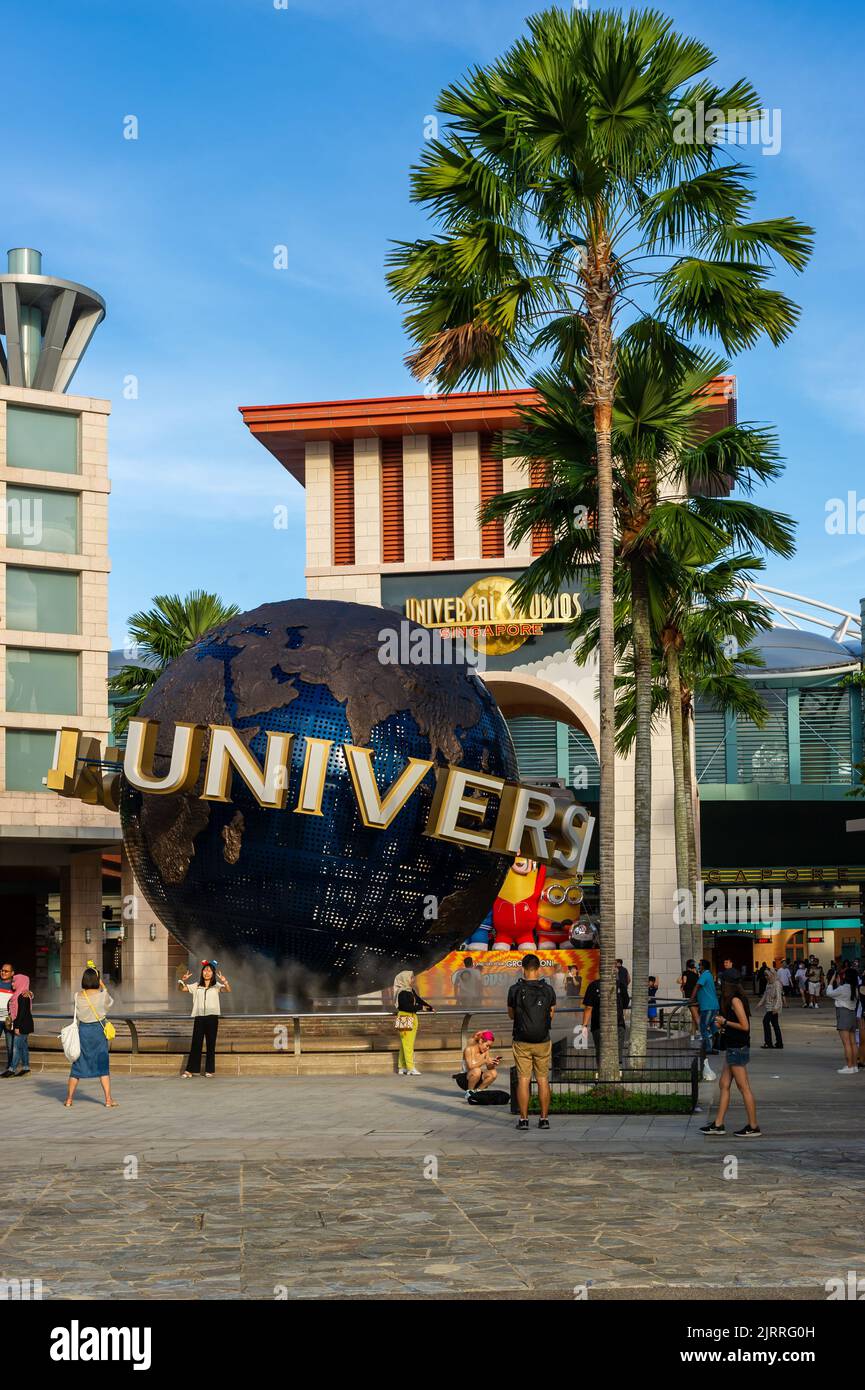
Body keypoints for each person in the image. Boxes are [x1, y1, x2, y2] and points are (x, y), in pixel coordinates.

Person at [700, 978, 761, 1138]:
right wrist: (721, 1024)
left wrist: (725, 1022)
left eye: (722, 983)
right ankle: (718, 1124)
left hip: (737, 1047)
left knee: (743, 1087)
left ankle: (753, 1126)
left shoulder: (735, 1000)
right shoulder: (733, 999)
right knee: (724, 1084)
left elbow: (744, 1026)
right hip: (732, 1047)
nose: (720, 986)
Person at [507, 953, 556, 1131]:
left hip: (521, 1041)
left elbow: (511, 1014)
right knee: (543, 1079)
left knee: (523, 1080)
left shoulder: (515, 989)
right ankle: (544, 1119)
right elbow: (551, 1013)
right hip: (543, 1040)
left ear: (523, 968)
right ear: (539, 969)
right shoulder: (548, 989)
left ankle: (524, 1120)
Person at [66, 964, 118, 1108]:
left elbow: (76, 1012)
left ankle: (69, 1099)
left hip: (83, 1031)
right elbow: (109, 1004)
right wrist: (103, 987)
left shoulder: (77, 996)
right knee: (102, 1065)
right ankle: (108, 1100)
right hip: (98, 1032)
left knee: (77, 1065)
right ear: (97, 979)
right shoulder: (103, 995)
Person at [179, 961, 231, 1077]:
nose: (206, 973)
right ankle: (190, 1070)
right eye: (205, 970)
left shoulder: (216, 986)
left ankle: (209, 1070)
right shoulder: (196, 985)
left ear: (212, 973)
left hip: (212, 1018)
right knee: (196, 1043)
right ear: (202, 972)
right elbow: (181, 989)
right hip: (199, 1017)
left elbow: (227, 990)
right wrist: (182, 980)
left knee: (211, 1044)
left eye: (209, 971)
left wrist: (225, 981)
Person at [392, 970, 433, 1076]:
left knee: (405, 1044)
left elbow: (418, 1000)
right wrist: (420, 1007)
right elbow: (405, 1007)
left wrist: (429, 1007)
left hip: (412, 1017)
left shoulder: (410, 990)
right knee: (408, 1044)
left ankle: (401, 1067)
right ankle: (410, 1068)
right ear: (405, 979)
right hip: (405, 1016)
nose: (413, 979)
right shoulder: (402, 992)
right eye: (411, 977)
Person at [582, 971, 627, 1066]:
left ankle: (602, 1072)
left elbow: (588, 1007)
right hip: (618, 1023)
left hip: (599, 1024)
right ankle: (617, 1072)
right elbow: (625, 1003)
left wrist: (584, 1025)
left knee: (601, 1051)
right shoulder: (620, 985)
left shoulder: (593, 985)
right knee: (617, 1052)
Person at [826, 965, 859, 1074]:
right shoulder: (854, 988)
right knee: (853, 1043)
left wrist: (831, 981)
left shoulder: (843, 988)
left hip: (843, 1014)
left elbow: (829, 993)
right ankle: (854, 1066)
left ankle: (849, 1066)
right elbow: (843, 993)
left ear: (846, 976)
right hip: (852, 1015)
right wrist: (839, 983)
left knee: (846, 1043)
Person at [691, 959, 720, 1058]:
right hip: (712, 1005)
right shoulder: (709, 975)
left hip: (708, 1007)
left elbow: (697, 987)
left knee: (703, 1027)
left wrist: (691, 999)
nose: (698, 966)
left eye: (699, 965)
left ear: (703, 967)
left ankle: (708, 1048)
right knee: (712, 1026)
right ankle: (716, 1045)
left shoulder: (704, 975)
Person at [7, 973, 34, 1077]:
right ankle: (26, 1068)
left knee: (16, 1047)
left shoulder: (23, 996)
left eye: (14, 981)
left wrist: (17, 1027)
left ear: (20, 982)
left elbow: (21, 1013)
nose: (12, 983)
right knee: (23, 1047)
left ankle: (12, 1069)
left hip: (22, 1026)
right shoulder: (20, 995)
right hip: (24, 1025)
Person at [462, 1030, 501, 1100]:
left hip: (477, 1076)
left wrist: (493, 1064)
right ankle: (469, 1091)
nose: (488, 1048)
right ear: (480, 1041)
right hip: (465, 1078)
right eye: (487, 1045)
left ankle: (478, 1091)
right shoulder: (468, 1050)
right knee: (477, 1070)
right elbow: (470, 1067)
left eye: (490, 1047)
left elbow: (489, 1067)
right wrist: (485, 1060)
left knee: (493, 1073)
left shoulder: (486, 1052)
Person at [756, 966, 784, 1050]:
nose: (766, 977)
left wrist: (776, 1007)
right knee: (775, 1025)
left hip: (773, 1008)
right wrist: (760, 1003)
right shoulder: (768, 983)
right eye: (765, 975)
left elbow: (779, 997)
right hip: (769, 1007)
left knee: (765, 1022)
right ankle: (779, 1043)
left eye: (767, 975)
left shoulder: (777, 984)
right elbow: (765, 994)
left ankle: (768, 1043)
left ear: (772, 974)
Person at [1, 962, 16, 1077]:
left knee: (10, 1045)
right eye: (2, 970)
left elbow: (25, 993)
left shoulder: (15, 985)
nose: (3, 972)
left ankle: (10, 1067)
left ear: (12, 973)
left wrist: (30, 994)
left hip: (8, 1020)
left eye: (6, 971)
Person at [680, 959, 700, 1042]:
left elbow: (684, 981)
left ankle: (702, 1032)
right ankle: (693, 1034)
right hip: (697, 996)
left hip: (689, 996)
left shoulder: (685, 973)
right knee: (694, 1017)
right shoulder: (696, 975)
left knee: (695, 1016)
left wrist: (682, 986)